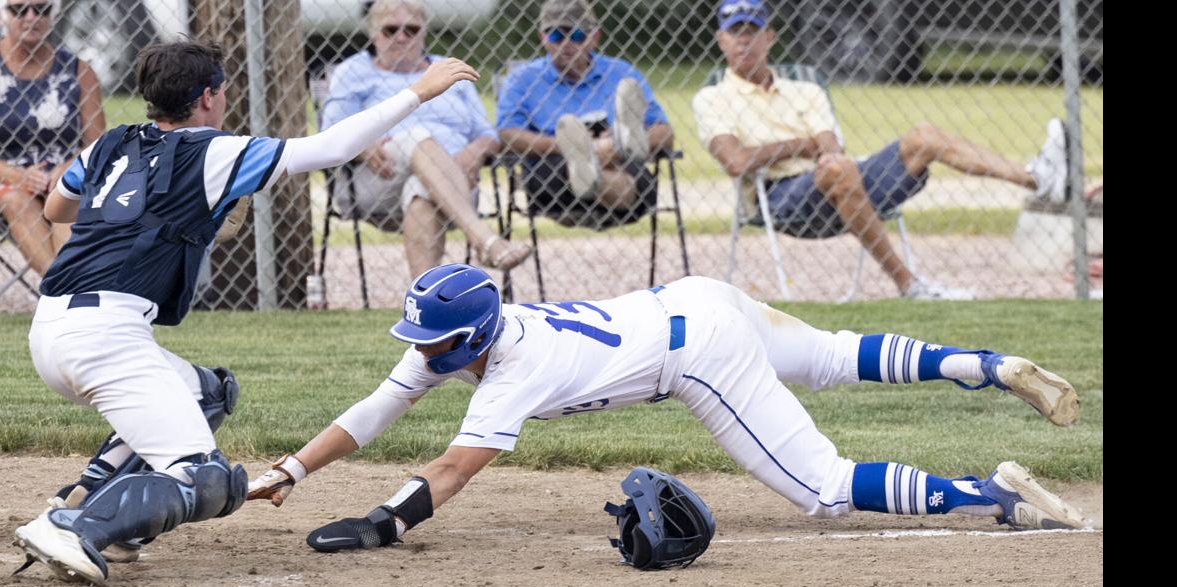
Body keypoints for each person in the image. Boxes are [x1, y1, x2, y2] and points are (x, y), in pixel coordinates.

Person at [9, 39, 486, 585]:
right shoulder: (214, 151)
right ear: (208, 96)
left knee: (207, 392)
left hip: (52, 326)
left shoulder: (110, 143)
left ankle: (98, 503)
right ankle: (76, 526)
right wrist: (418, 92)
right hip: (105, 339)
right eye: (222, 89)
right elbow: (331, 148)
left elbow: (56, 207)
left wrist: (166, 215)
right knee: (210, 481)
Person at [241, 268, 1088, 553]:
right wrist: (292, 470)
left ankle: (994, 494)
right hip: (689, 298)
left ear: (471, 339)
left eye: (434, 343)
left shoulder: (512, 374)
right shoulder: (465, 340)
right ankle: (980, 364)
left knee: (824, 488)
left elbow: (453, 469)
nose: (420, 353)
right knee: (827, 354)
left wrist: (384, 524)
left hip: (695, 352)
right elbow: (375, 408)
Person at [693, 0, 1069, 301]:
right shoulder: (712, 98)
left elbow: (830, 145)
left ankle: (1037, 178)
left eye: (752, 31)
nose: (744, 40)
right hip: (778, 198)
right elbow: (737, 162)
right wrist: (803, 145)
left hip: (835, 181)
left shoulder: (805, 89)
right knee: (838, 170)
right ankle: (910, 285)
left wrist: (807, 149)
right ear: (720, 39)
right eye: (734, 32)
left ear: (769, 38)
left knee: (923, 136)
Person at [321, 0, 530, 277]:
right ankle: (485, 240)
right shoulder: (354, 72)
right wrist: (363, 148)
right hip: (378, 178)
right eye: (391, 30)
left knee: (422, 189)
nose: (402, 36)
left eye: (412, 29)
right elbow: (332, 132)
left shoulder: (447, 69)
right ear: (373, 34)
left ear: (424, 34)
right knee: (416, 135)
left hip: (456, 179)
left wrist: (476, 152)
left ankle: (422, 304)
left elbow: (487, 135)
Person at [0, 1, 106, 276]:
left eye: (41, 9)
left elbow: (97, 145)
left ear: (53, 15)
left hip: (62, 173)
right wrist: (16, 176)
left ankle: (64, 292)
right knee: (16, 200)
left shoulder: (79, 70)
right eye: (20, 9)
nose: (32, 17)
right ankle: (64, 288)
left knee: (69, 192)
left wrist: (70, 169)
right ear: (3, 15)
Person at [496, 0, 674, 228]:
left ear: (595, 37)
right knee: (550, 171)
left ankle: (614, 150)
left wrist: (609, 150)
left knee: (635, 170)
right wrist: (569, 146)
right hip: (555, 168)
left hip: (619, 161)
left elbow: (665, 133)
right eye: (556, 36)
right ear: (542, 38)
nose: (567, 44)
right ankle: (593, 161)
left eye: (578, 35)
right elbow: (508, 135)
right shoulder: (523, 79)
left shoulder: (621, 73)